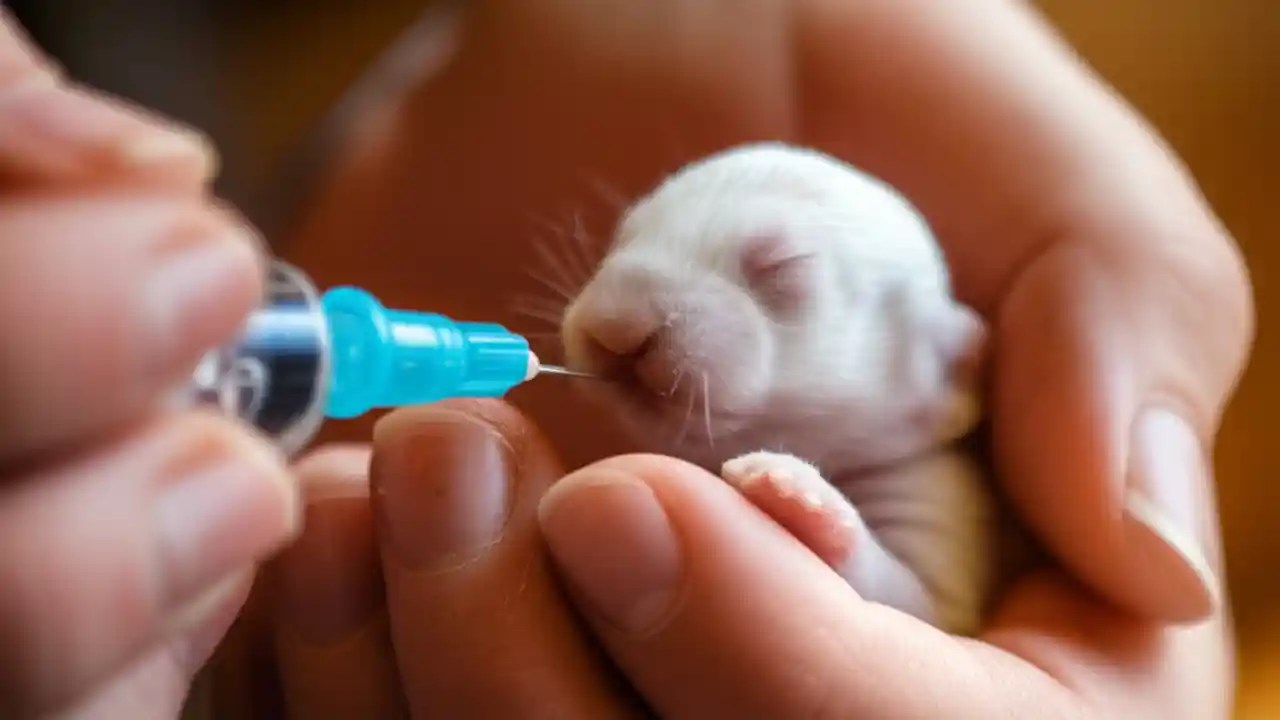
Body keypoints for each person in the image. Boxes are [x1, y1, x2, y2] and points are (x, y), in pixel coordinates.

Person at [0, 1, 1254, 717]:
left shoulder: (934, 481)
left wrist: (843, 551)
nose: (620, 309)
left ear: (945, 374)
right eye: (635, 237)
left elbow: (925, 617)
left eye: (778, 282)